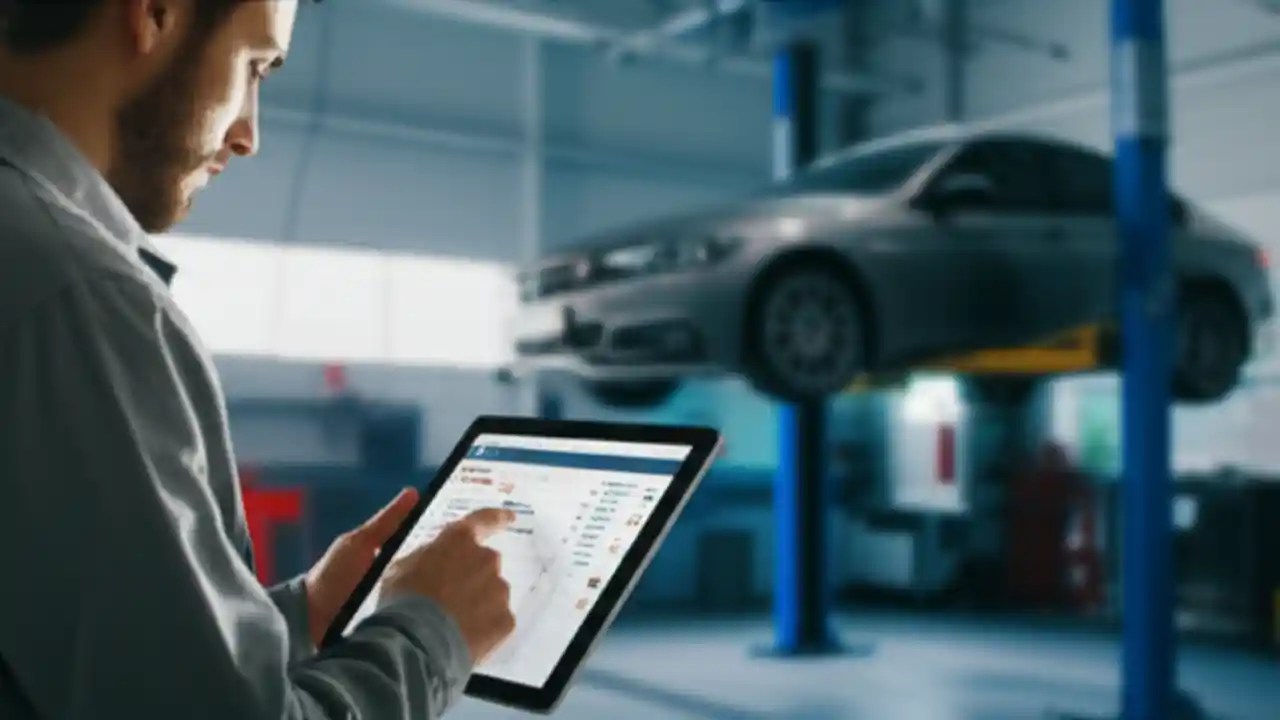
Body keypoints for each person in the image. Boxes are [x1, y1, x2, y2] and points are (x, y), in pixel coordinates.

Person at [0, 1, 517, 717]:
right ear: (154, 12)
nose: (248, 134)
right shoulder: (79, 297)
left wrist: (303, 613)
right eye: (254, 67)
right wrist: (431, 632)